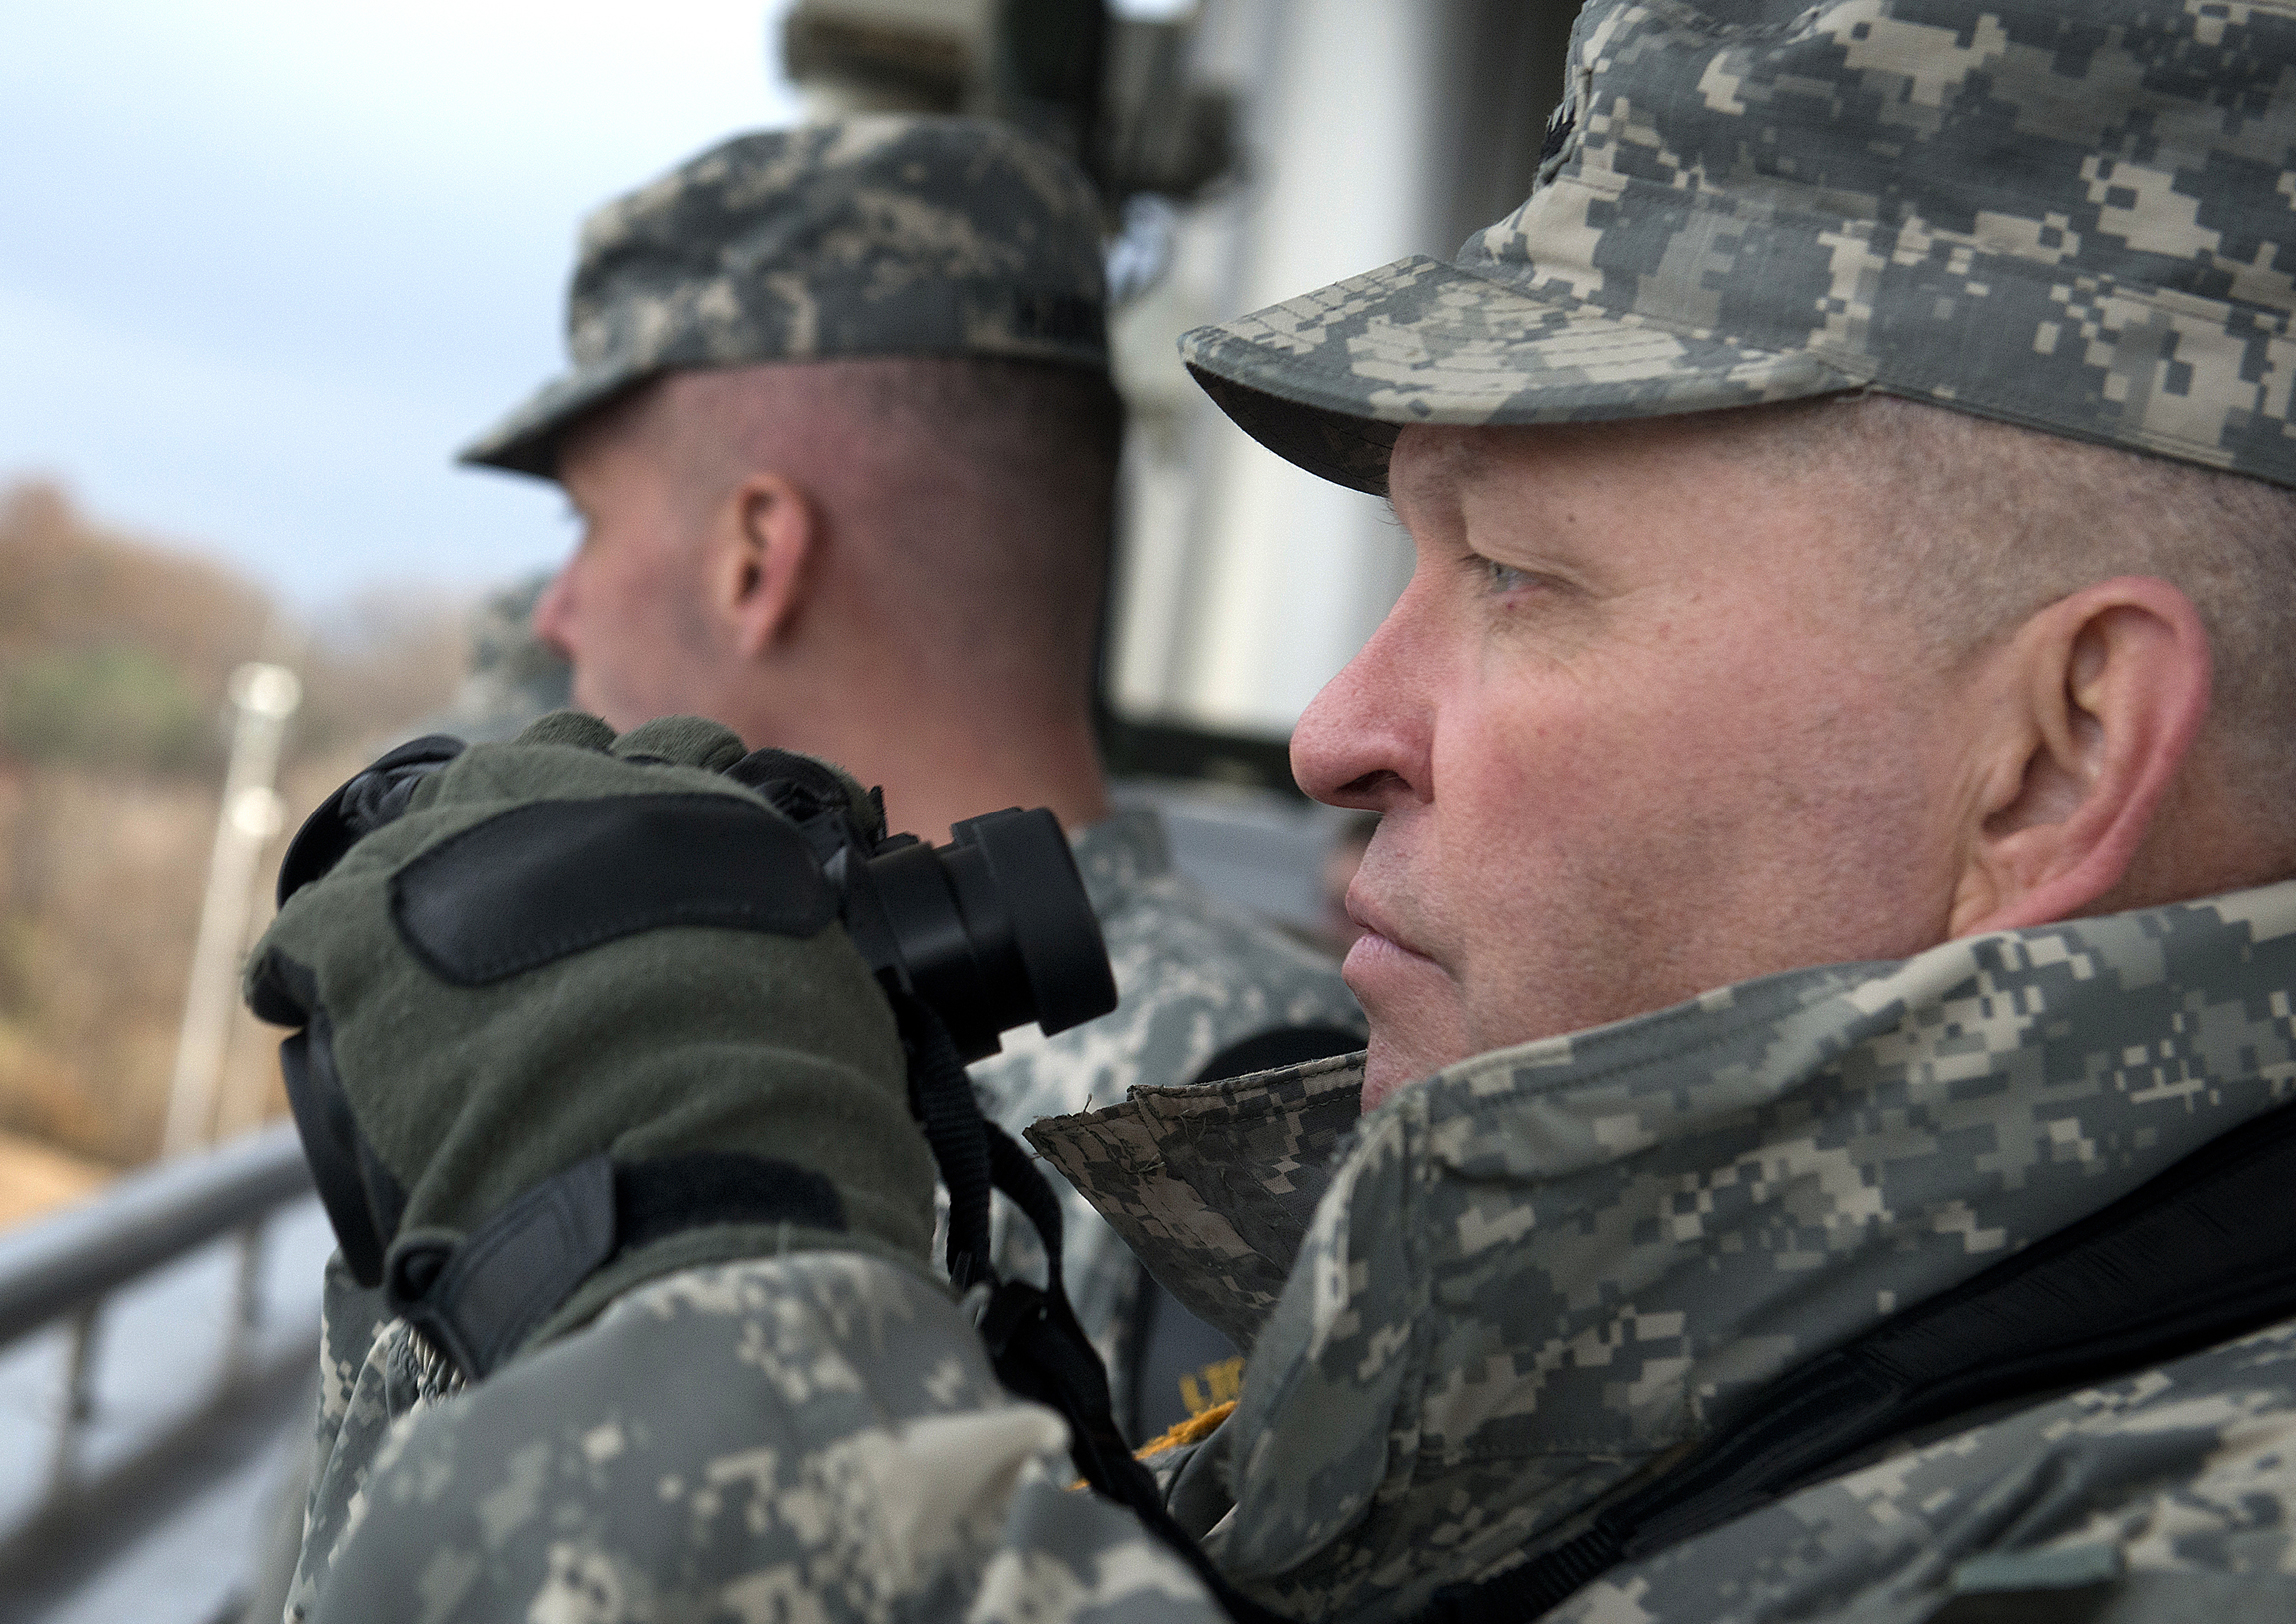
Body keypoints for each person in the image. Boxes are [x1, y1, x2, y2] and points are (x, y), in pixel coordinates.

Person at [251, 4, 2296, 1621]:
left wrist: (690, 1259)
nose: (1336, 729)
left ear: (2055, 750)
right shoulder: (1656, 1357)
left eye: (1514, 573)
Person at [268, 114, 1360, 1624]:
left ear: (754, 549)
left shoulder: (1249, 1113)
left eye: (586, 525)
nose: (558, 610)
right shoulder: (1287, 1075)